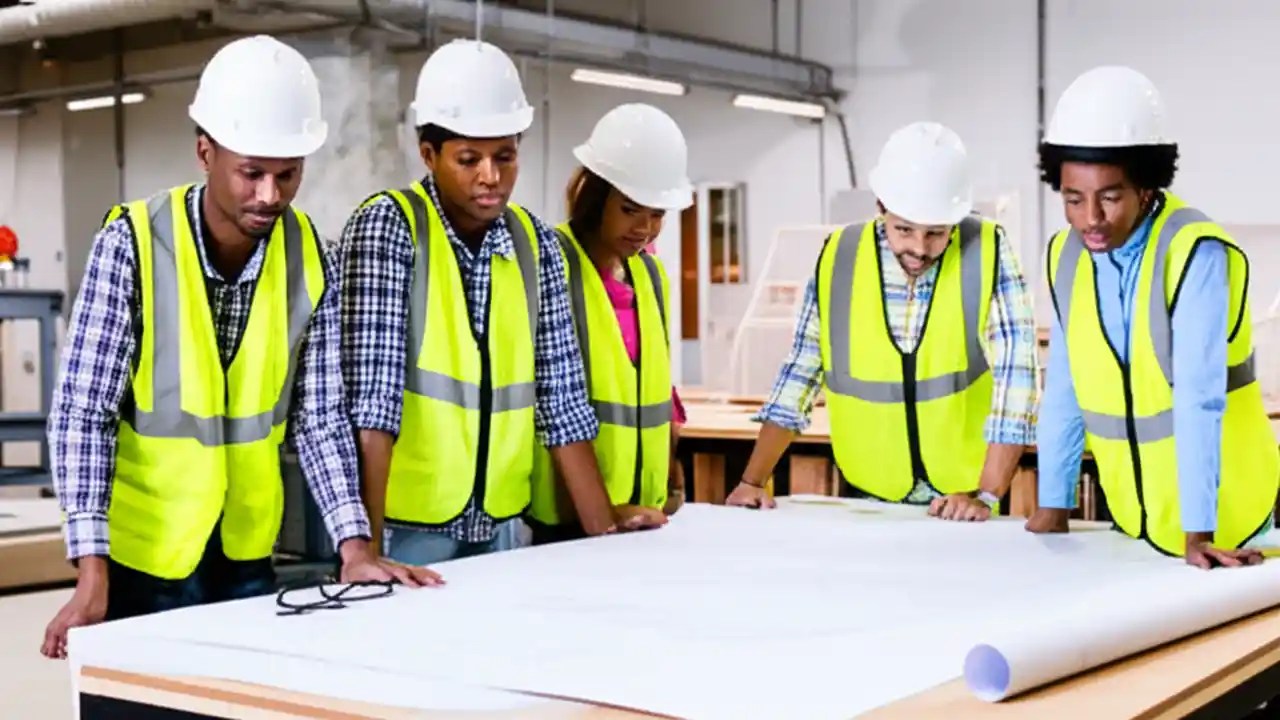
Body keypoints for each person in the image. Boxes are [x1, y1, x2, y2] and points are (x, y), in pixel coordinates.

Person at [39, 35, 439, 660]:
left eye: (288, 174)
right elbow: (84, 415)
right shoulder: (132, 244)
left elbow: (320, 416)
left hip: (247, 554)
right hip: (143, 560)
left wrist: (355, 545)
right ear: (206, 151)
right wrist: (90, 571)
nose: (270, 195)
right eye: (252, 173)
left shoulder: (310, 256)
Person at [338, 39, 664, 567]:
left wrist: (604, 529)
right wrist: (366, 553)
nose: (490, 176)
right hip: (406, 532)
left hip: (504, 529)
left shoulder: (536, 245)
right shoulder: (390, 228)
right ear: (429, 155)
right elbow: (372, 407)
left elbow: (563, 403)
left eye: (505, 157)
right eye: (469, 159)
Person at [1027, 66, 1279, 568]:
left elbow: (1199, 397)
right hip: (1136, 524)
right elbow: (1064, 390)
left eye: (1110, 197)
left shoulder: (1194, 252)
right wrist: (1054, 505)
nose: (1090, 219)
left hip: (1224, 525)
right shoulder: (1065, 256)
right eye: (1073, 199)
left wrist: (1199, 532)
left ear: (1145, 188)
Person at [725, 121, 1039, 519]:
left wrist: (987, 495)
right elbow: (801, 370)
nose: (919, 248)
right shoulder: (840, 256)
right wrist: (752, 481)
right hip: (867, 492)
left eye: (936, 233)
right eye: (904, 229)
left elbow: (1017, 375)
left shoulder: (987, 249)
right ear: (880, 207)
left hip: (968, 492)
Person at [526, 103, 692, 544]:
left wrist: (671, 466)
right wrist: (601, 510)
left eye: (658, 214)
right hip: (567, 519)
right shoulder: (552, 263)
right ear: (594, 195)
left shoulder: (650, 274)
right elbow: (547, 399)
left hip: (644, 514)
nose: (645, 228)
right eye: (630, 209)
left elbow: (655, 383)